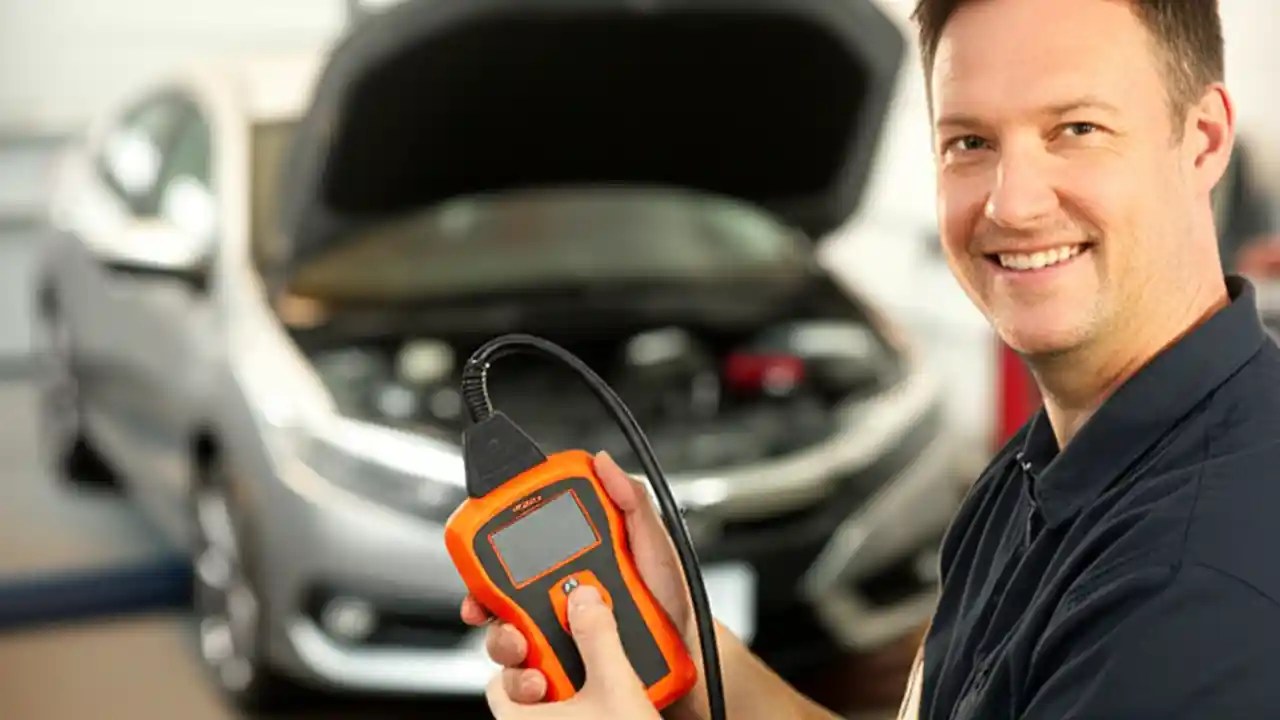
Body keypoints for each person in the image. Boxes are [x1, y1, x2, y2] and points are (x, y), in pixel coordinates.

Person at [461, 0, 1280, 716]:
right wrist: (689, 646)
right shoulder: (1051, 462)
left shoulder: (1193, 591)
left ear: (1203, 139)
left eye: (1076, 130)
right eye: (970, 142)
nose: (1013, 201)